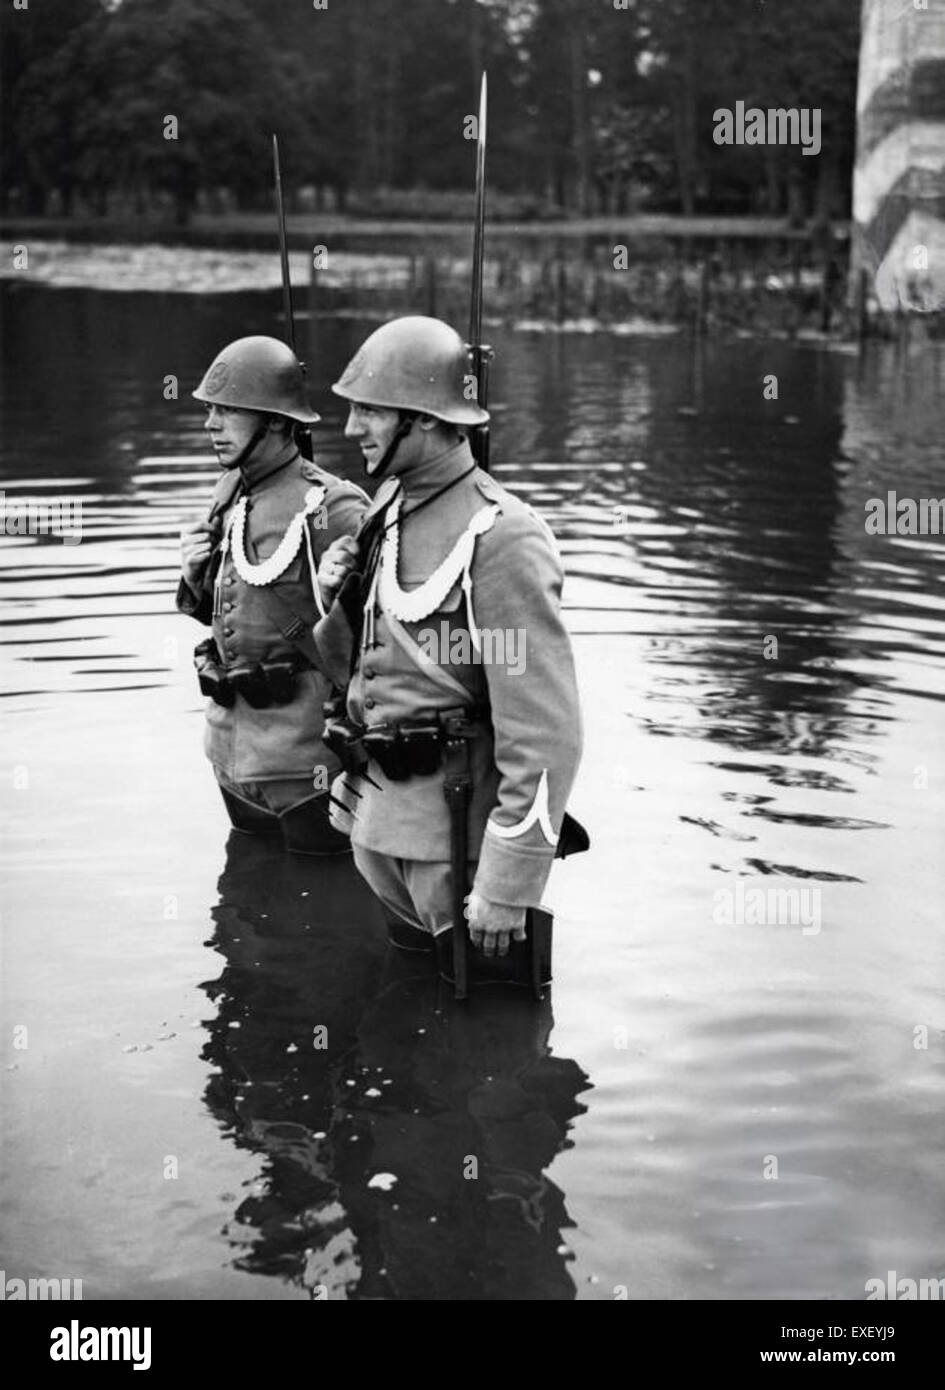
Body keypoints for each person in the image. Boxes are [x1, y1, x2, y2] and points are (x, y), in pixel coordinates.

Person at [313, 315, 583, 962]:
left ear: (426, 419)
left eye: (370, 412)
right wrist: (335, 595)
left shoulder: (502, 537)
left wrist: (507, 882)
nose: (351, 430)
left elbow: (546, 733)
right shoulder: (388, 509)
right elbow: (368, 662)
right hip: (377, 825)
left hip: (458, 853)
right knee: (413, 1025)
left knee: (487, 1034)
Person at [177, 335, 369, 854]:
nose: (210, 424)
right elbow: (235, 615)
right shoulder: (229, 490)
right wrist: (195, 579)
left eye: (229, 411)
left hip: (304, 756)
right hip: (231, 750)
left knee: (325, 901)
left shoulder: (333, 505)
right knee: (247, 895)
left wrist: (334, 596)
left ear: (277, 421)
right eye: (210, 410)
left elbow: (379, 637)